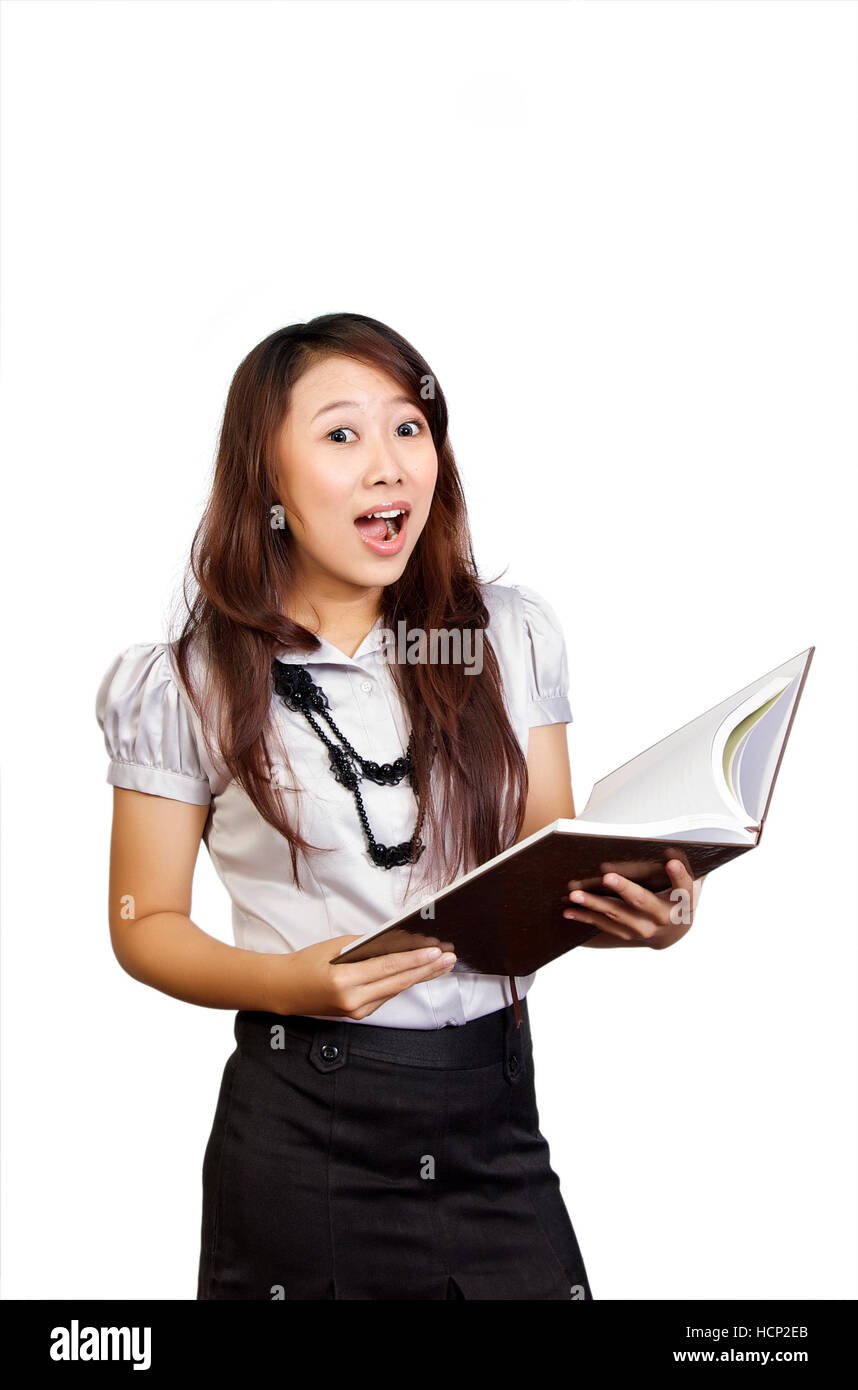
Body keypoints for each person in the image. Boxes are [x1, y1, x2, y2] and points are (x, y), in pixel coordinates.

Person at [95, 312, 701, 1300]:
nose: (388, 466)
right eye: (341, 434)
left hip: (496, 1108)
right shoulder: (187, 685)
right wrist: (290, 984)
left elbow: (546, 859)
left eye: (409, 427)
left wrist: (640, 910)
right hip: (305, 1123)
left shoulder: (505, 638)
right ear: (267, 477)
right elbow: (143, 923)